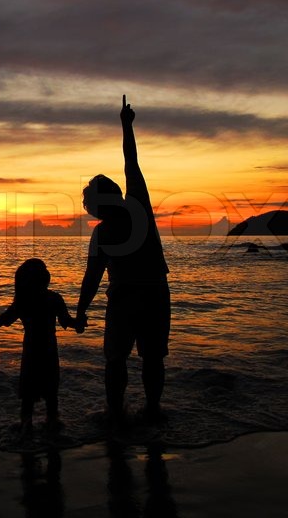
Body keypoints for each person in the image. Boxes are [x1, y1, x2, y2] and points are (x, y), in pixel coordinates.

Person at [76, 95, 170, 424]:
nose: (88, 207)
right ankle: (152, 410)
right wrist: (126, 126)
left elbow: (92, 277)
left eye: (88, 201)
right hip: (156, 292)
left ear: (98, 203)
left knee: (116, 359)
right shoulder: (137, 205)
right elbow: (132, 163)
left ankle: (115, 414)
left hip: (126, 297)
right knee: (152, 358)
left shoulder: (106, 231)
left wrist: (81, 310)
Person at [0, 258, 78, 435]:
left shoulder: (24, 301)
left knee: (28, 396)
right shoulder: (53, 298)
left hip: (31, 352)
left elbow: (5, 318)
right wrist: (78, 324)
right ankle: (53, 429)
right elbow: (66, 321)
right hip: (50, 352)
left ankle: (26, 428)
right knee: (51, 394)